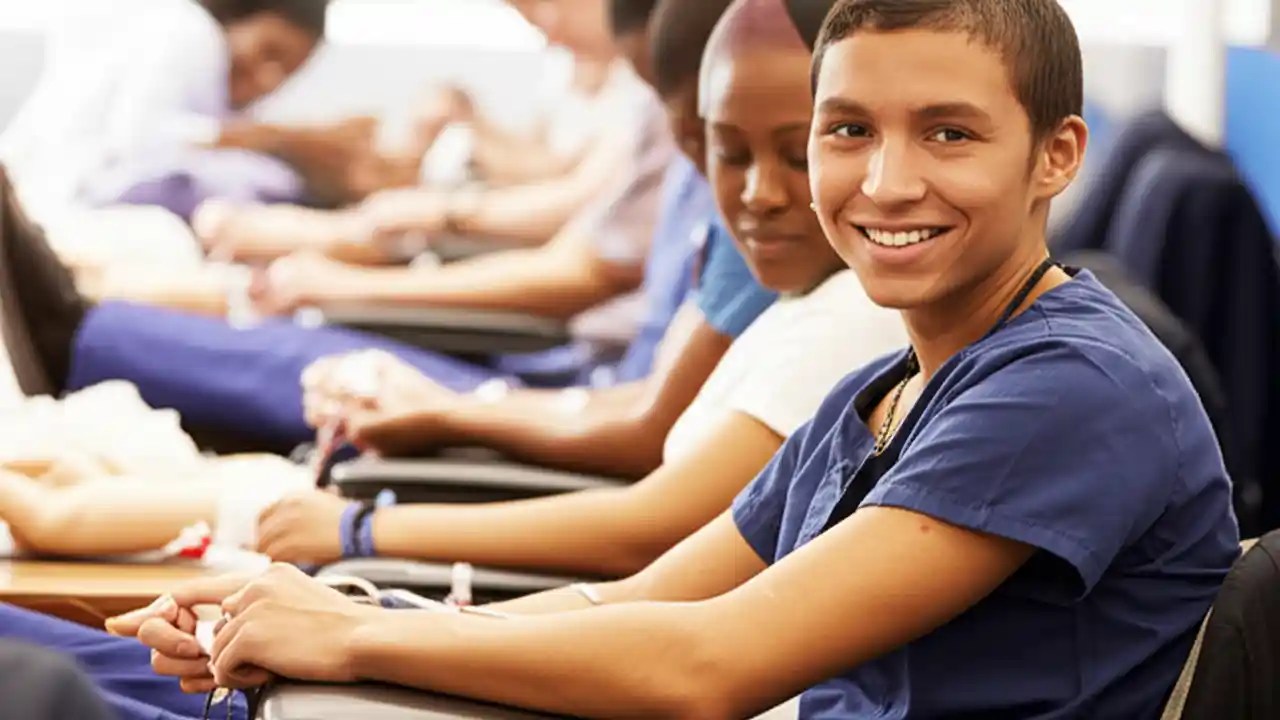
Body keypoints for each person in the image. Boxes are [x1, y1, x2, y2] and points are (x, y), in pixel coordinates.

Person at [96, 0, 1236, 717]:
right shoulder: (886, 390)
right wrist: (337, 605)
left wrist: (354, 631)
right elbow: (633, 599)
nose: (882, 182)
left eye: (947, 132)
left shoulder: (1069, 387)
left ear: (1055, 156)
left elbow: (708, 668)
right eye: (844, 132)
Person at [0, 0, 904, 583]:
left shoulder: (835, 318)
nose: (745, 191)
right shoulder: (799, 298)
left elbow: (650, 529)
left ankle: (72, 352)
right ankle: (73, 381)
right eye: (719, 150)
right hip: (564, 456)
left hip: (568, 426)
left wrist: (363, 531)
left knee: (298, 403)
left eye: (804, 149)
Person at [0, 0, 329, 223]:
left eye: (289, 72)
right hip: (45, 201)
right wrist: (268, 139)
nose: (269, 78)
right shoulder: (192, 32)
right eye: (270, 51)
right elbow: (139, 139)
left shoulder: (197, 59)